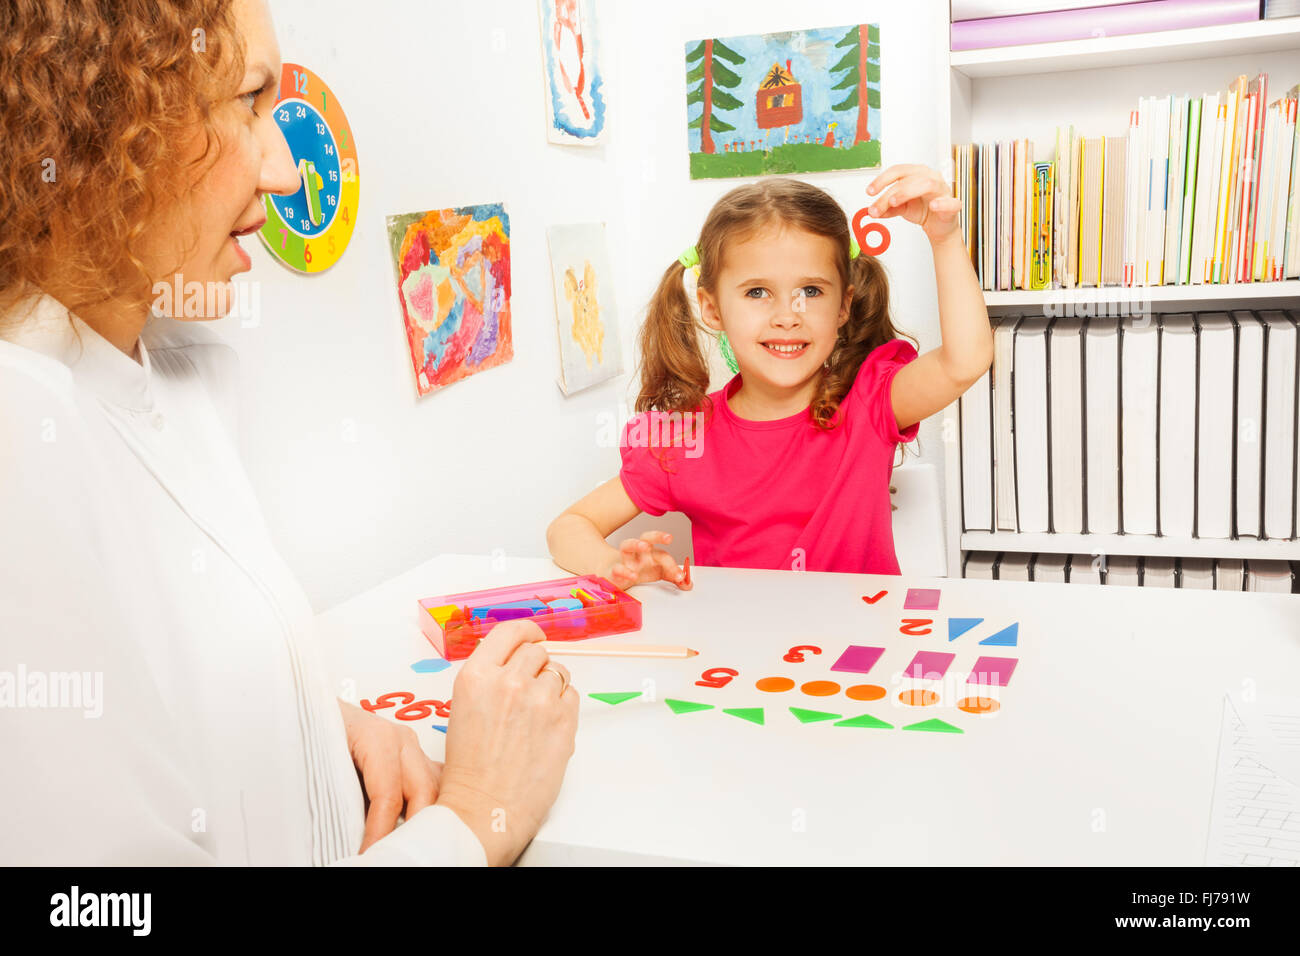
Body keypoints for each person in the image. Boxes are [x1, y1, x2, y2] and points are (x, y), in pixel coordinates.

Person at [0, 0, 576, 866]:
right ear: (104, 127)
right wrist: (478, 815)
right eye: (248, 102)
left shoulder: (162, 371)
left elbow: (151, 705)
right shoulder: (24, 442)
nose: (281, 168)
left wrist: (310, 721)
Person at [547, 175, 992, 585]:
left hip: (860, 653)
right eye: (757, 292)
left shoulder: (870, 400)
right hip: (736, 659)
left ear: (843, 306)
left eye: (811, 292)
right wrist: (613, 566)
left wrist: (945, 238)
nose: (787, 316)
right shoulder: (682, 438)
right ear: (712, 308)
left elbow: (965, 361)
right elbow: (568, 529)